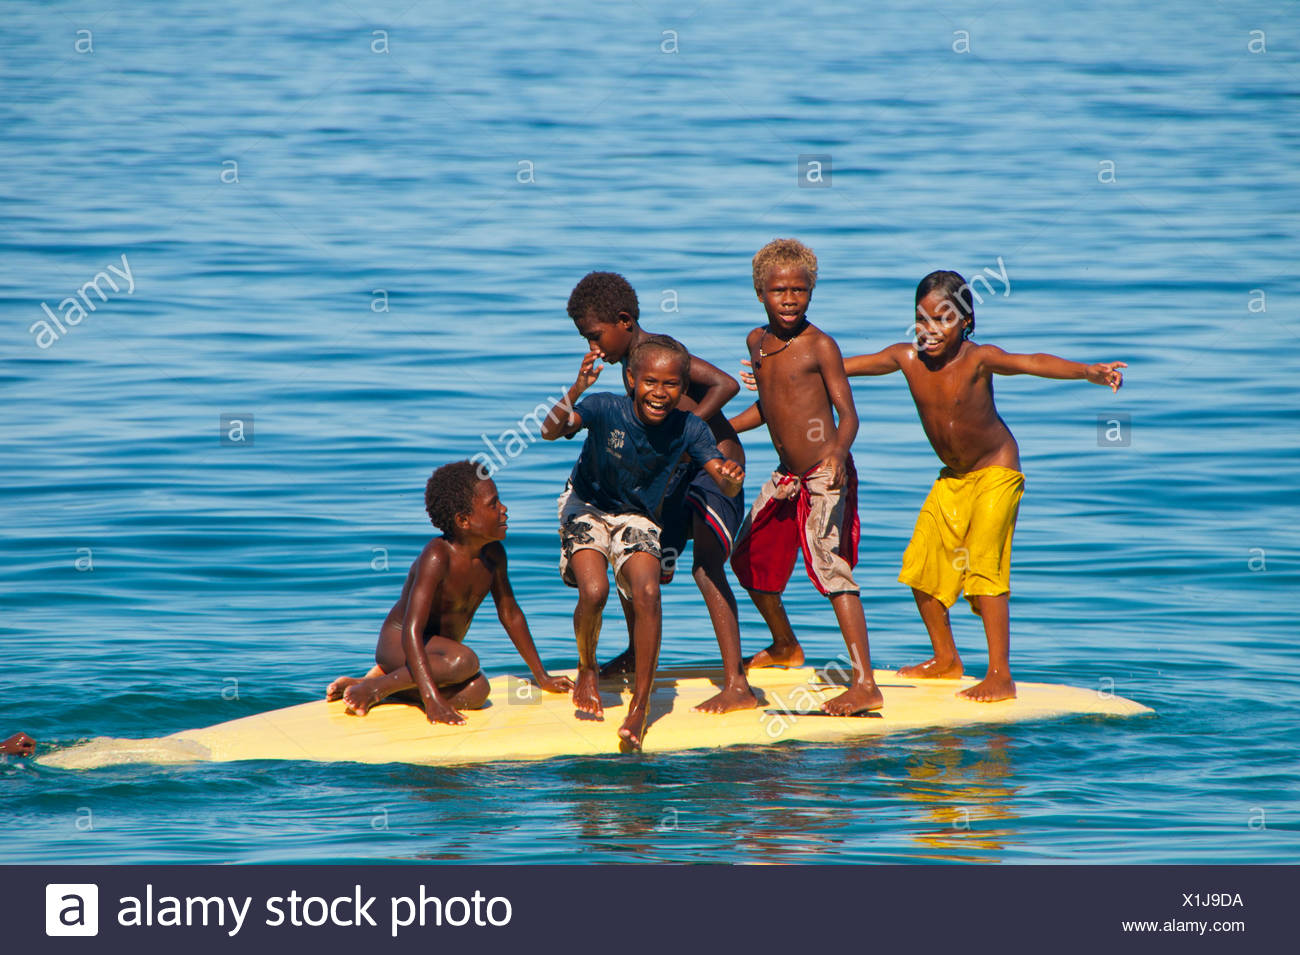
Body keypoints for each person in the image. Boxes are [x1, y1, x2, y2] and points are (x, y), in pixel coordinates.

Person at [744, 269, 1125, 701]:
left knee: (984, 565)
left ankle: (1000, 673)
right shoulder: (905, 358)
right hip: (952, 479)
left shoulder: (979, 359)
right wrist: (780, 373)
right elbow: (832, 367)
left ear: (966, 322)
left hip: (996, 472)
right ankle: (946, 659)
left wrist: (1087, 372)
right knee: (921, 568)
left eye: (943, 319)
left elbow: (1032, 361)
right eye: (921, 319)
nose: (930, 331)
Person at [540, 334, 745, 749]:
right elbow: (550, 431)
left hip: (637, 516)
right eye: (650, 382)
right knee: (594, 591)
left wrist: (726, 479)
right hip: (587, 504)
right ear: (632, 379)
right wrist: (578, 388)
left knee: (648, 591)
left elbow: (716, 470)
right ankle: (587, 667)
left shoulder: (690, 427)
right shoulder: (604, 407)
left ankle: (641, 705)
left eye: (671, 385)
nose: (659, 393)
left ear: (683, 390)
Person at [565, 271, 755, 713]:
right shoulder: (630, 378)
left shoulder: (664, 355)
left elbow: (725, 383)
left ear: (625, 321)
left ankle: (736, 683)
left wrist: (681, 440)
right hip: (666, 475)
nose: (592, 349)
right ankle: (637, 653)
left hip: (713, 469)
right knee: (644, 570)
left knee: (706, 567)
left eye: (595, 337)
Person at [728, 239, 884, 715]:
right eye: (779, 290)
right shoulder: (757, 342)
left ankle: (864, 683)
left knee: (830, 568)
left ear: (812, 291)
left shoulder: (821, 346)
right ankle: (784, 645)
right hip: (787, 475)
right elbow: (770, 408)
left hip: (823, 472)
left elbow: (848, 414)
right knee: (745, 554)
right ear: (760, 293)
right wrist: (715, 428)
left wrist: (838, 451)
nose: (790, 298)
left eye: (800, 289)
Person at [326, 462, 573, 723]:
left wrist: (542, 677)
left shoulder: (494, 555)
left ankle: (393, 688)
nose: (504, 509)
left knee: (478, 691)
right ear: (463, 520)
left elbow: (510, 614)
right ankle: (375, 687)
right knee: (465, 660)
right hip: (400, 644)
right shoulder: (437, 556)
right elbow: (412, 629)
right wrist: (433, 702)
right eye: (493, 504)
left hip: (440, 656)